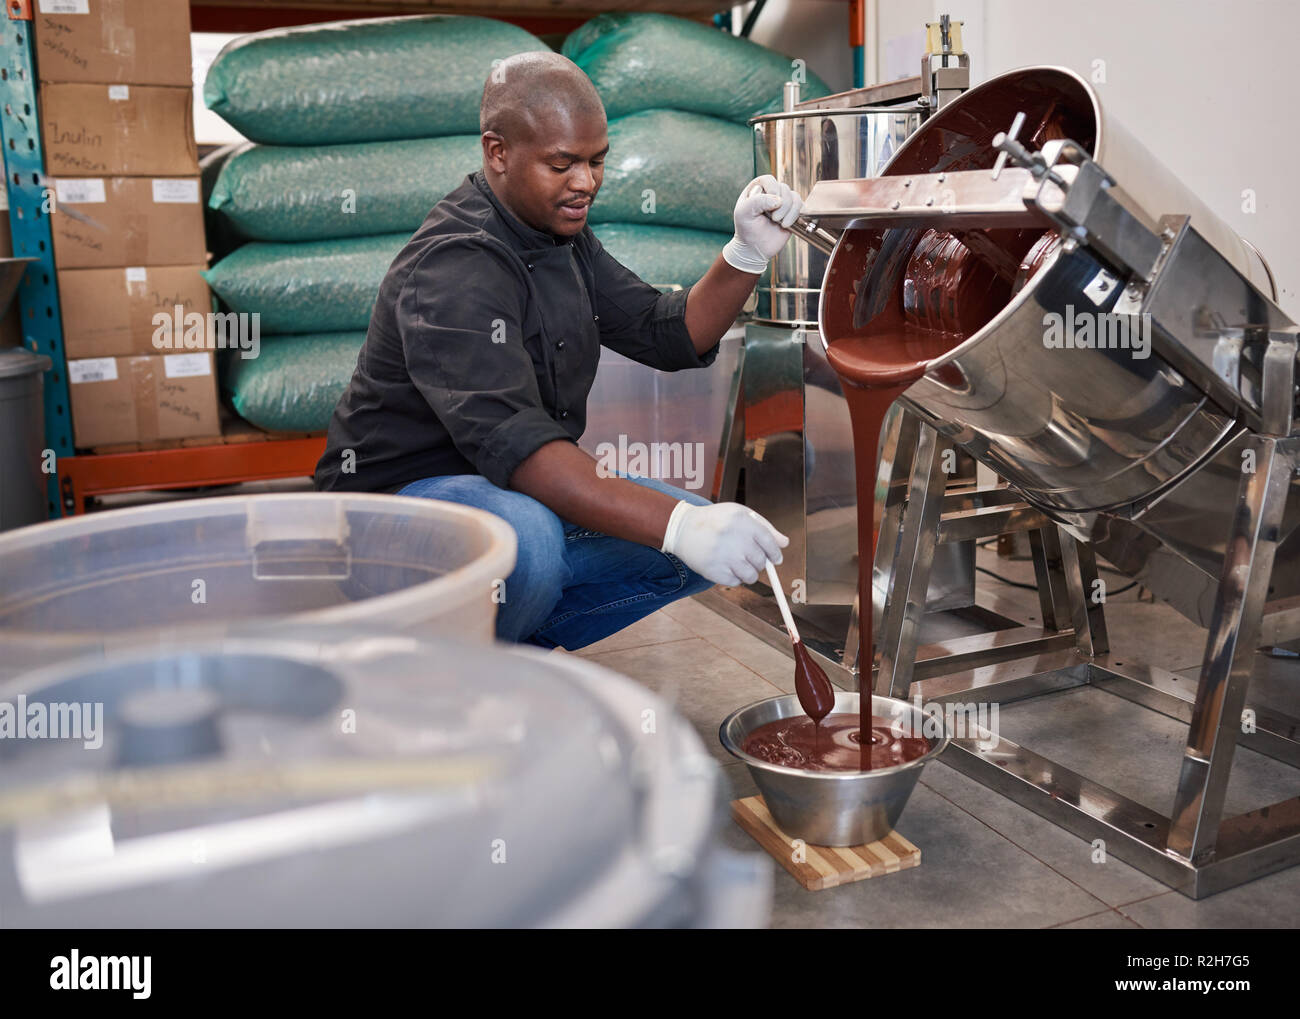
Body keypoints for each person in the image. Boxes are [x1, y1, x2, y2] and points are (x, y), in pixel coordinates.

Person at [315, 51, 804, 649]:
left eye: (597, 161)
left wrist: (745, 254)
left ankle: (511, 655)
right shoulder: (454, 265)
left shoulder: (560, 236)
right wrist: (678, 527)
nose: (586, 182)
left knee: (702, 546)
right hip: (395, 511)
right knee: (533, 538)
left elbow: (664, 329)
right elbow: (520, 446)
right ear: (498, 152)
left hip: (500, 486)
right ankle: (437, 670)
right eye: (562, 163)